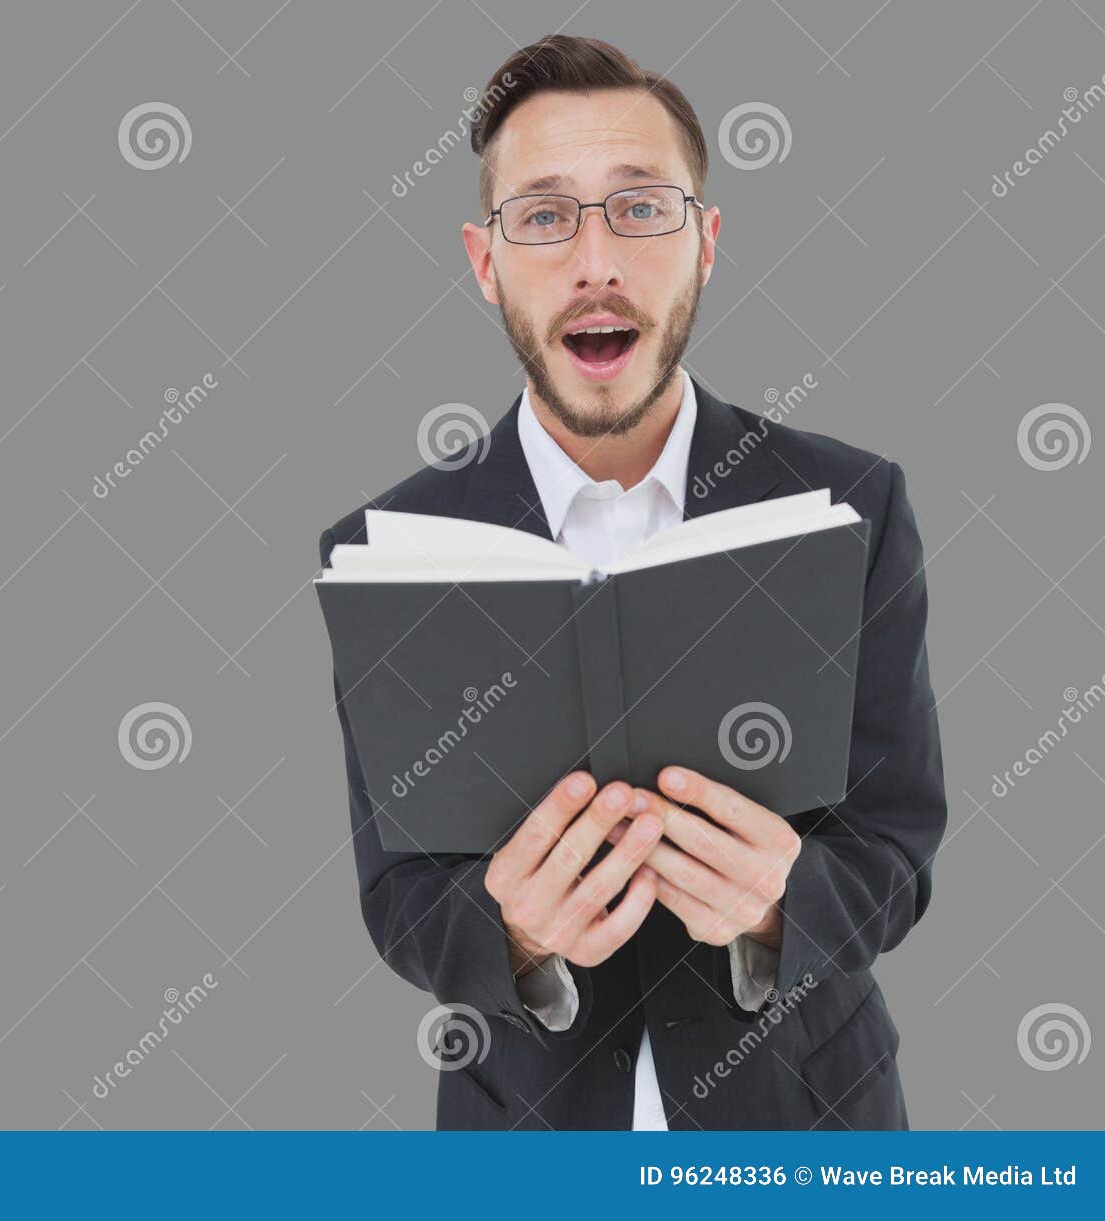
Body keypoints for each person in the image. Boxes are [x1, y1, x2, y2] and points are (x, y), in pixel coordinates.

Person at [318, 34, 946, 1130]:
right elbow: (399, 898)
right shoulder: (392, 548)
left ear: (705, 243)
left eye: (639, 208)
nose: (594, 261)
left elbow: (897, 848)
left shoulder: (851, 504)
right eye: (545, 215)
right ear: (485, 261)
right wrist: (513, 934)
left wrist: (778, 905)